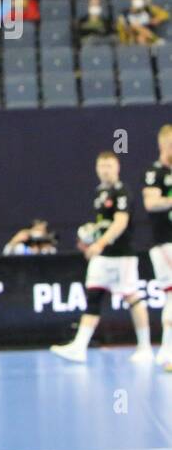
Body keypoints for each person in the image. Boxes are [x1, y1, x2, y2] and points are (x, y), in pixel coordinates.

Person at [50, 151, 150, 363]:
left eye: (109, 166)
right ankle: (79, 347)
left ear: (117, 168)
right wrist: (89, 240)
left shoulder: (122, 192)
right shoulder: (99, 193)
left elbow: (120, 223)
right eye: (102, 166)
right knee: (94, 296)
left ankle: (145, 347)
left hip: (122, 255)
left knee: (131, 296)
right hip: (102, 256)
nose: (105, 170)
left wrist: (99, 244)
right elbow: (102, 224)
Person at [141, 125, 172, 368]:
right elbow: (151, 203)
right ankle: (166, 351)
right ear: (162, 144)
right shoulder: (155, 172)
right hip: (165, 242)